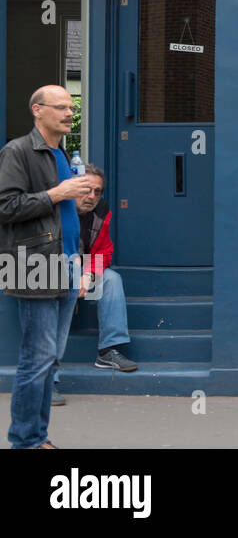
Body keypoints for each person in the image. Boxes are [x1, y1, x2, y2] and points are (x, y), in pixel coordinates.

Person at [0, 85, 93, 449]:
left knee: (50, 360)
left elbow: (56, 209)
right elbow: (6, 207)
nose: (70, 113)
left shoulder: (62, 153)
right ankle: (25, 442)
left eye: (71, 107)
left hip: (67, 262)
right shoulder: (17, 151)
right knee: (37, 359)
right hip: (33, 263)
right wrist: (58, 194)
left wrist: (76, 203)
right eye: (61, 107)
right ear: (37, 110)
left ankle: (39, 438)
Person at [51, 164, 137, 399]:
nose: (91, 196)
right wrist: (74, 272)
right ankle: (48, 380)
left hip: (82, 273)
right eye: (86, 189)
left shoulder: (101, 212)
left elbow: (104, 252)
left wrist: (87, 275)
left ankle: (108, 350)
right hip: (50, 270)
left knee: (111, 279)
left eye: (97, 192)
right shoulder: (57, 208)